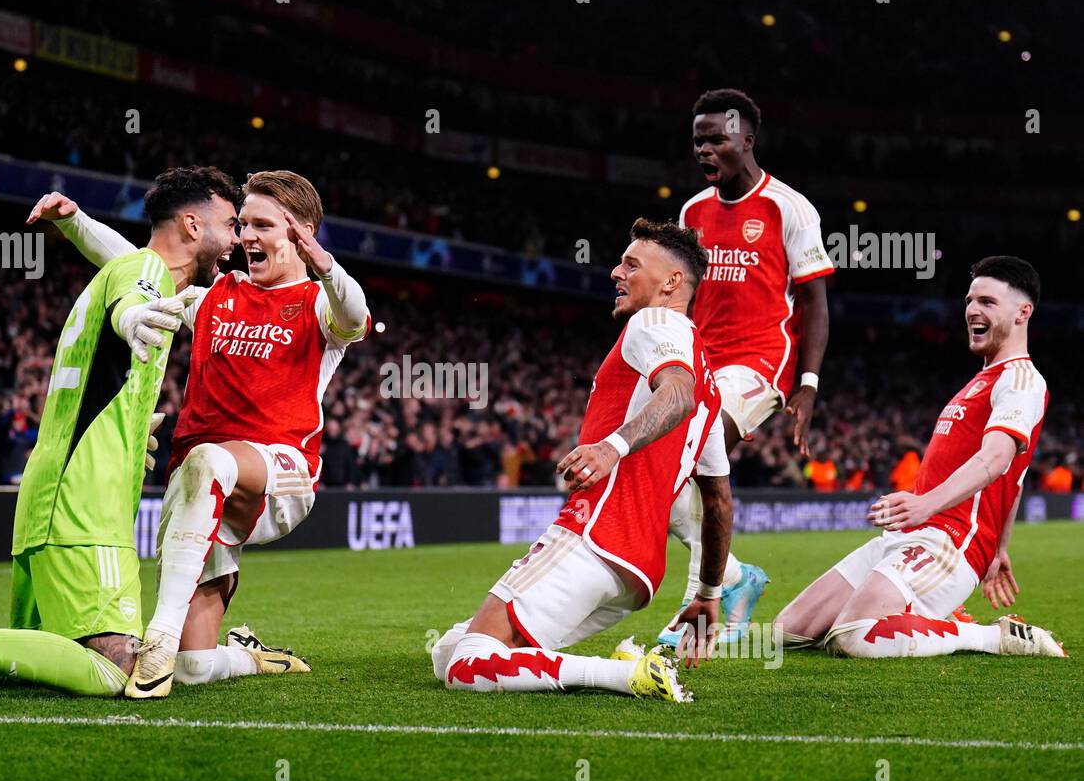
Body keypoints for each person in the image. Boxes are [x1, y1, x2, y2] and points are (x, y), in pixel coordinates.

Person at [0, 167, 298, 700]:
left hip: (46, 495)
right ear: (191, 224)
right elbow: (131, 308)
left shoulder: (124, 271)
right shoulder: (146, 275)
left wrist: (132, 431)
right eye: (232, 224)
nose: (237, 240)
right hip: (85, 507)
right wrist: (134, 319)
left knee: (38, 657)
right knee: (118, 671)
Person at [36, 170, 371, 698]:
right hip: (199, 487)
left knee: (210, 460)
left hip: (280, 474)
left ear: (301, 233)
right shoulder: (216, 296)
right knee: (195, 666)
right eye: (244, 224)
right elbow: (138, 266)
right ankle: (245, 656)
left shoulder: (316, 303)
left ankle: (159, 640)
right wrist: (76, 222)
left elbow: (356, 314)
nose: (247, 237)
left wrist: (325, 263)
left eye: (263, 225)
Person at [431, 219, 733, 702]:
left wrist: (611, 447)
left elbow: (676, 393)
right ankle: (624, 665)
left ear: (671, 282)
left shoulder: (654, 322)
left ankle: (626, 675)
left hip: (594, 536)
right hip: (636, 573)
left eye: (631, 264)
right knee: (447, 650)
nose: (616, 272)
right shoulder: (711, 383)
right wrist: (709, 594)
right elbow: (717, 502)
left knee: (465, 666)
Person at [774, 257, 1066, 659]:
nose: (972, 311)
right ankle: (937, 615)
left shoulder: (1021, 379)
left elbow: (998, 460)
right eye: (969, 300)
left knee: (852, 636)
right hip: (909, 535)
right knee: (787, 633)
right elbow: (1015, 478)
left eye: (987, 301)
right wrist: (1000, 552)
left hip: (950, 542)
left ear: (1023, 312)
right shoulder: (981, 381)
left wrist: (928, 505)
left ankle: (987, 636)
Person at [658, 88, 834, 649]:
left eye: (716, 139)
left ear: (747, 140)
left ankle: (692, 615)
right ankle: (733, 576)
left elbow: (815, 303)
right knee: (658, 476)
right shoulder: (691, 212)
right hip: (699, 363)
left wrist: (806, 386)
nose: (704, 150)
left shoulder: (789, 207)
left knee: (696, 447)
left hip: (760, 364)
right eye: (697, 141)